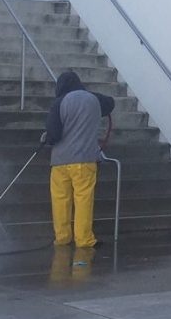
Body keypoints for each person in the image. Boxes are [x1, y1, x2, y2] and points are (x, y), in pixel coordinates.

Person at [40, 70, 115, 249]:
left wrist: (46, 138)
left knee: (60, 200)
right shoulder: (94, 99)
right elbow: (110, 103)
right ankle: (84, 239)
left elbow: (54, 134)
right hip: (85, 160)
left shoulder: (59, 103)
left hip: (60, 162)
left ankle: (62, 237)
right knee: (83, 200)